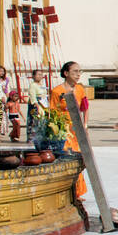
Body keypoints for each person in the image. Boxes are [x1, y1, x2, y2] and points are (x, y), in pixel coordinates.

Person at [50, 61, 89, 201]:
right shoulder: (56, 91)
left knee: (78, 159)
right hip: (63, 132)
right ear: (66, 73)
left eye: (80, 71)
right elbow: (52, 113)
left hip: (77, 130)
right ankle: (65, 191)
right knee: (66, 158)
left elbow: (85, 107)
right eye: (75, 72)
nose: (78, 75)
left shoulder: (80, 89)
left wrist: (85, 125)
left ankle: (77, 192)